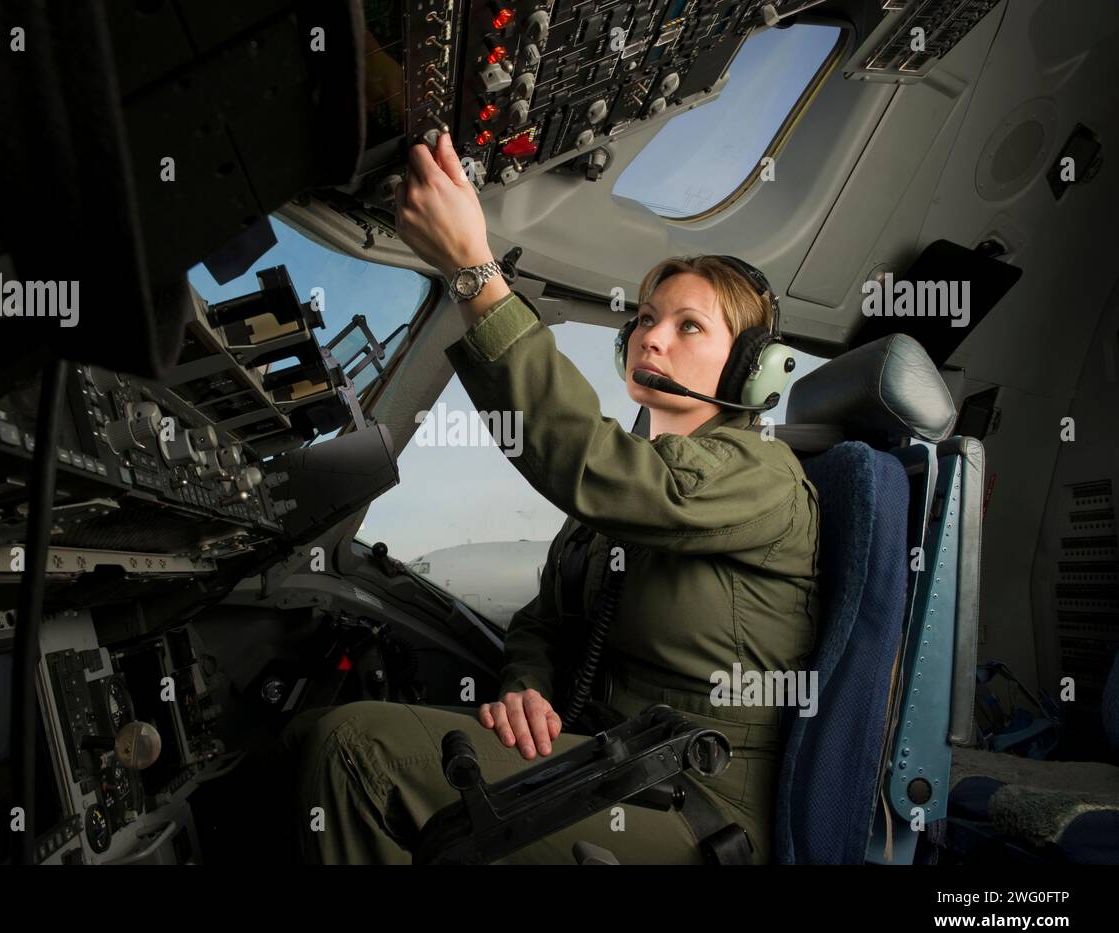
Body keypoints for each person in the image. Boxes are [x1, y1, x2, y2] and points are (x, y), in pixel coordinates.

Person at [282, 133, 820, 864]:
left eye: (688, 325)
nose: (651, 337)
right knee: (318, 731)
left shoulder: (763, 475)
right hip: (611, 759)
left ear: (753, 371)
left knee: (353, 752)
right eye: (648, 318)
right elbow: (546, 621)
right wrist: (527, 687)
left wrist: (475, 274)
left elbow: (592, 463)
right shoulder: (631, 486)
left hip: (700, 804)